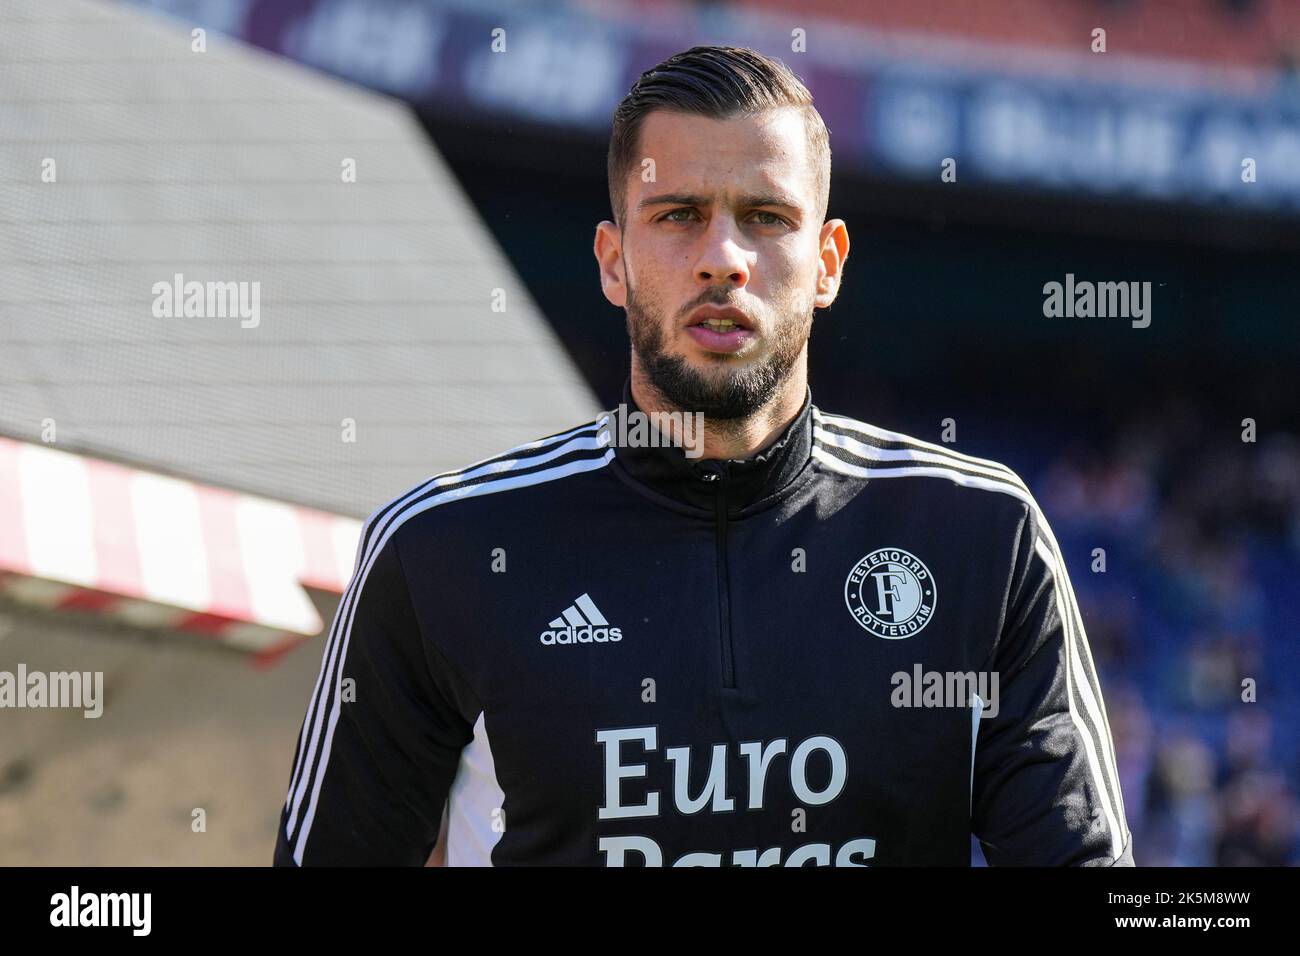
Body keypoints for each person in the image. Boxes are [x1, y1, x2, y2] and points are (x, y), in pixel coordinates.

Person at [274, 45, 1132, 867]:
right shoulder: (442, 550)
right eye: (679, 215)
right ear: (615, 263)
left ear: (826, 263)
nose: (723, 260)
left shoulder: (979, 534)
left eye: (765, 218)